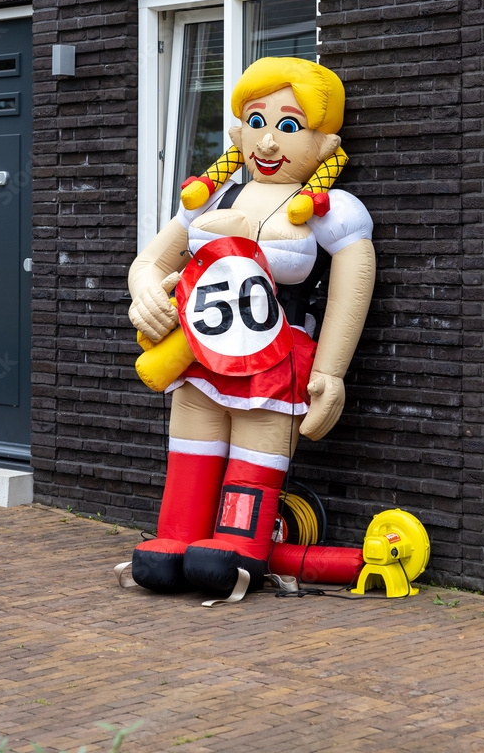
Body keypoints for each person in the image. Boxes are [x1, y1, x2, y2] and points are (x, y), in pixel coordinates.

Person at [126, 56, 375, 598]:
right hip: (200, 356)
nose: (267, 144)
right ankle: (176, 538)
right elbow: (150, 262)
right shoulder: (211, 197)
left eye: (288, 127)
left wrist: (332, 371)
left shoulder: (330, 210)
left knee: (253, 461)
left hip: (276, 361)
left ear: (324, 144)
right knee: (191, 450)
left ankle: (241, 548)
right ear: (237, 130)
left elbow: (351, 290)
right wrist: (145, 293)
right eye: (256, 123)